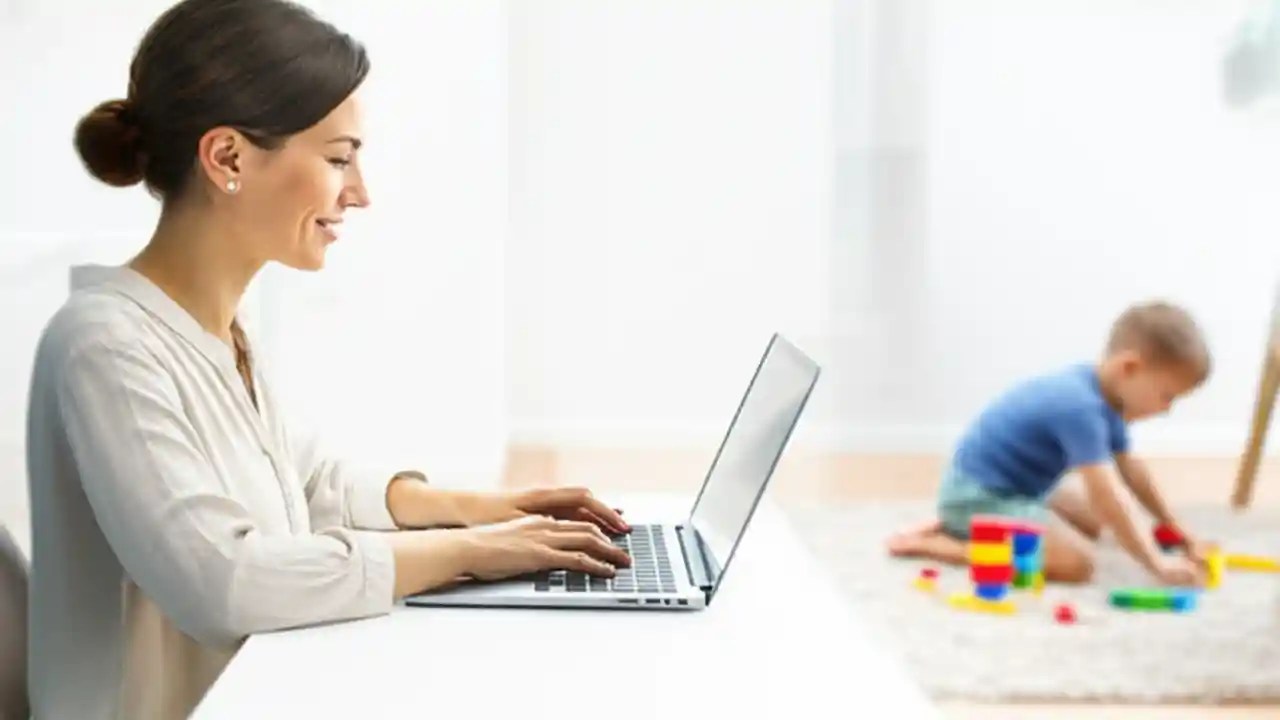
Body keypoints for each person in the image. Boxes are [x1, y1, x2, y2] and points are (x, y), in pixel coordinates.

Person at [26, 1, 631, 717]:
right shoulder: (105, 345)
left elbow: (306, 485)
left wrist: (488, 512)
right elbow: (223, 583)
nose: (361, 192)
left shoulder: (217, 327)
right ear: (228, 158)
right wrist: (477, 552)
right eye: (339, 158)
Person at [887, 301, 1211, 587]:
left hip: (1020, 487)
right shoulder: (1079, 406)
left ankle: (971, 526)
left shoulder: (1107, 395)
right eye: (1167, 396)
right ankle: (945, 544)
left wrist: (1173, 524)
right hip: (980, 496)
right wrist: (1156, 563)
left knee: (1097, 521)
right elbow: (1108, 494)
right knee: (1076, 563)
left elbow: (1131, 470)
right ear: (1129, 368)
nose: (1167, 409)